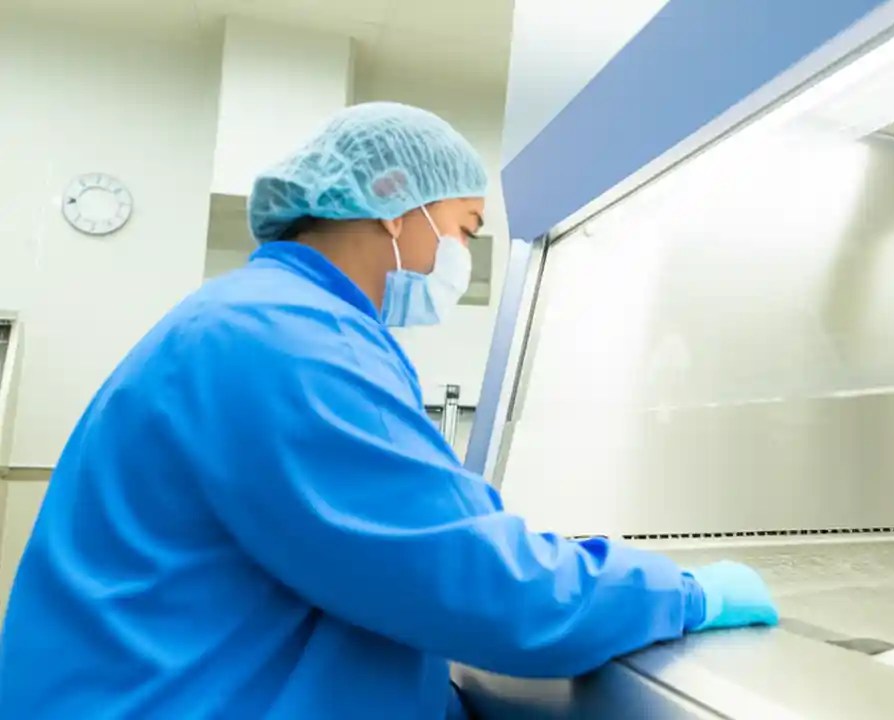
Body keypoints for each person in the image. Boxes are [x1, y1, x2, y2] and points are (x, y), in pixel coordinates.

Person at [0, 102, 777, 719]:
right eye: (466, 228)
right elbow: (473, 583)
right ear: (393, 205)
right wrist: (682, 593)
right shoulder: (288, 344)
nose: (462, 257)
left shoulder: (263, 317)